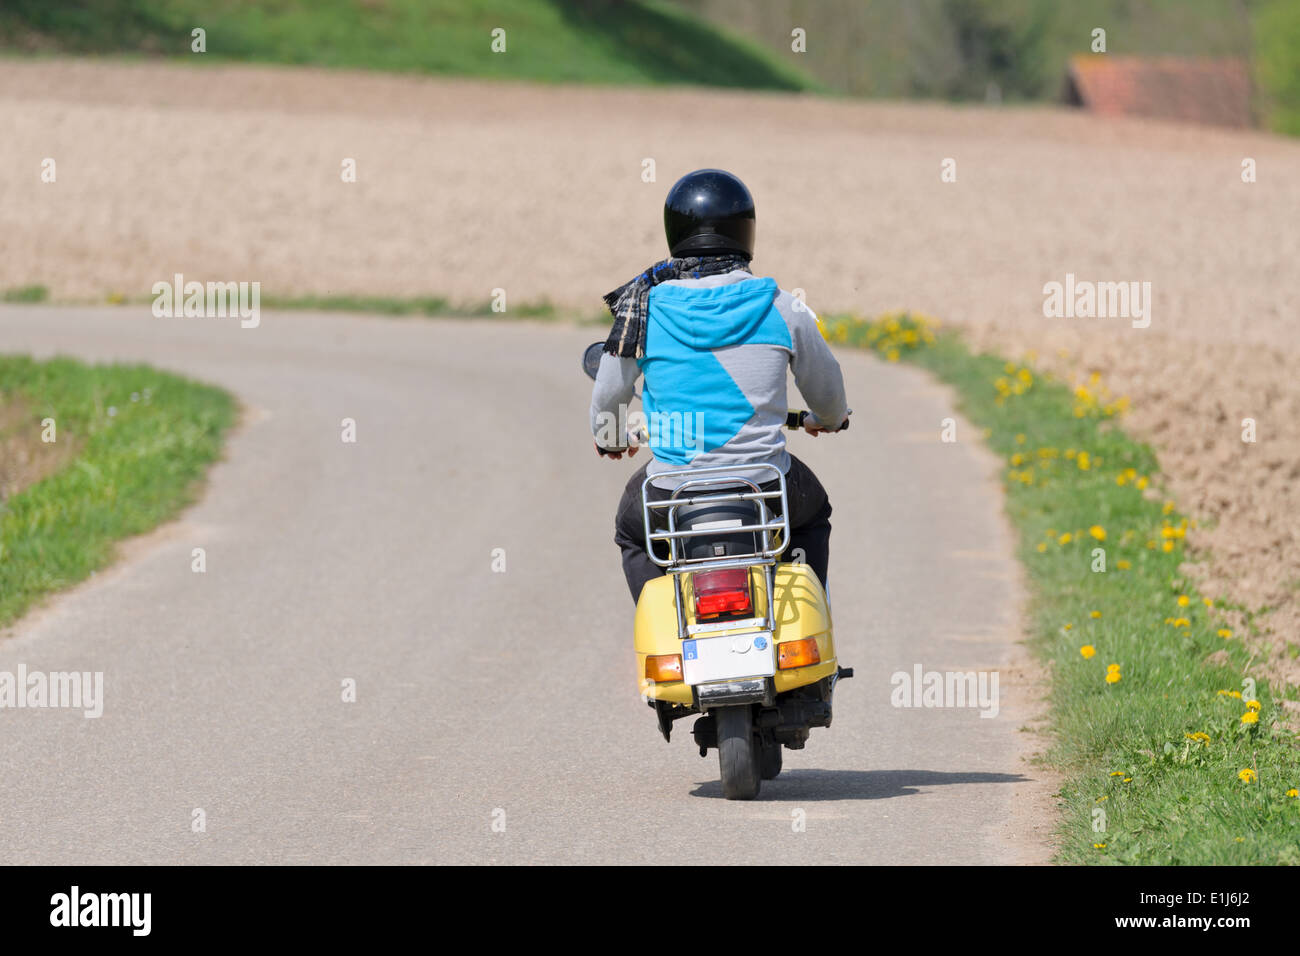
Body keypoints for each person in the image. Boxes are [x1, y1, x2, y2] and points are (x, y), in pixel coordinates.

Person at [590, 168, 849, 603]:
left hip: (674, 494)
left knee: (632, 532)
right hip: (766, 490)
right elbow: (828, 393)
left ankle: (668, 620)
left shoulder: (642, 312)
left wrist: (612, 437)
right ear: (746, 232)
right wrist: (827, 418)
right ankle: (809, 613)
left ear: (675, 233)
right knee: (812, 512)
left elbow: (608, 400)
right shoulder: (784, 308)